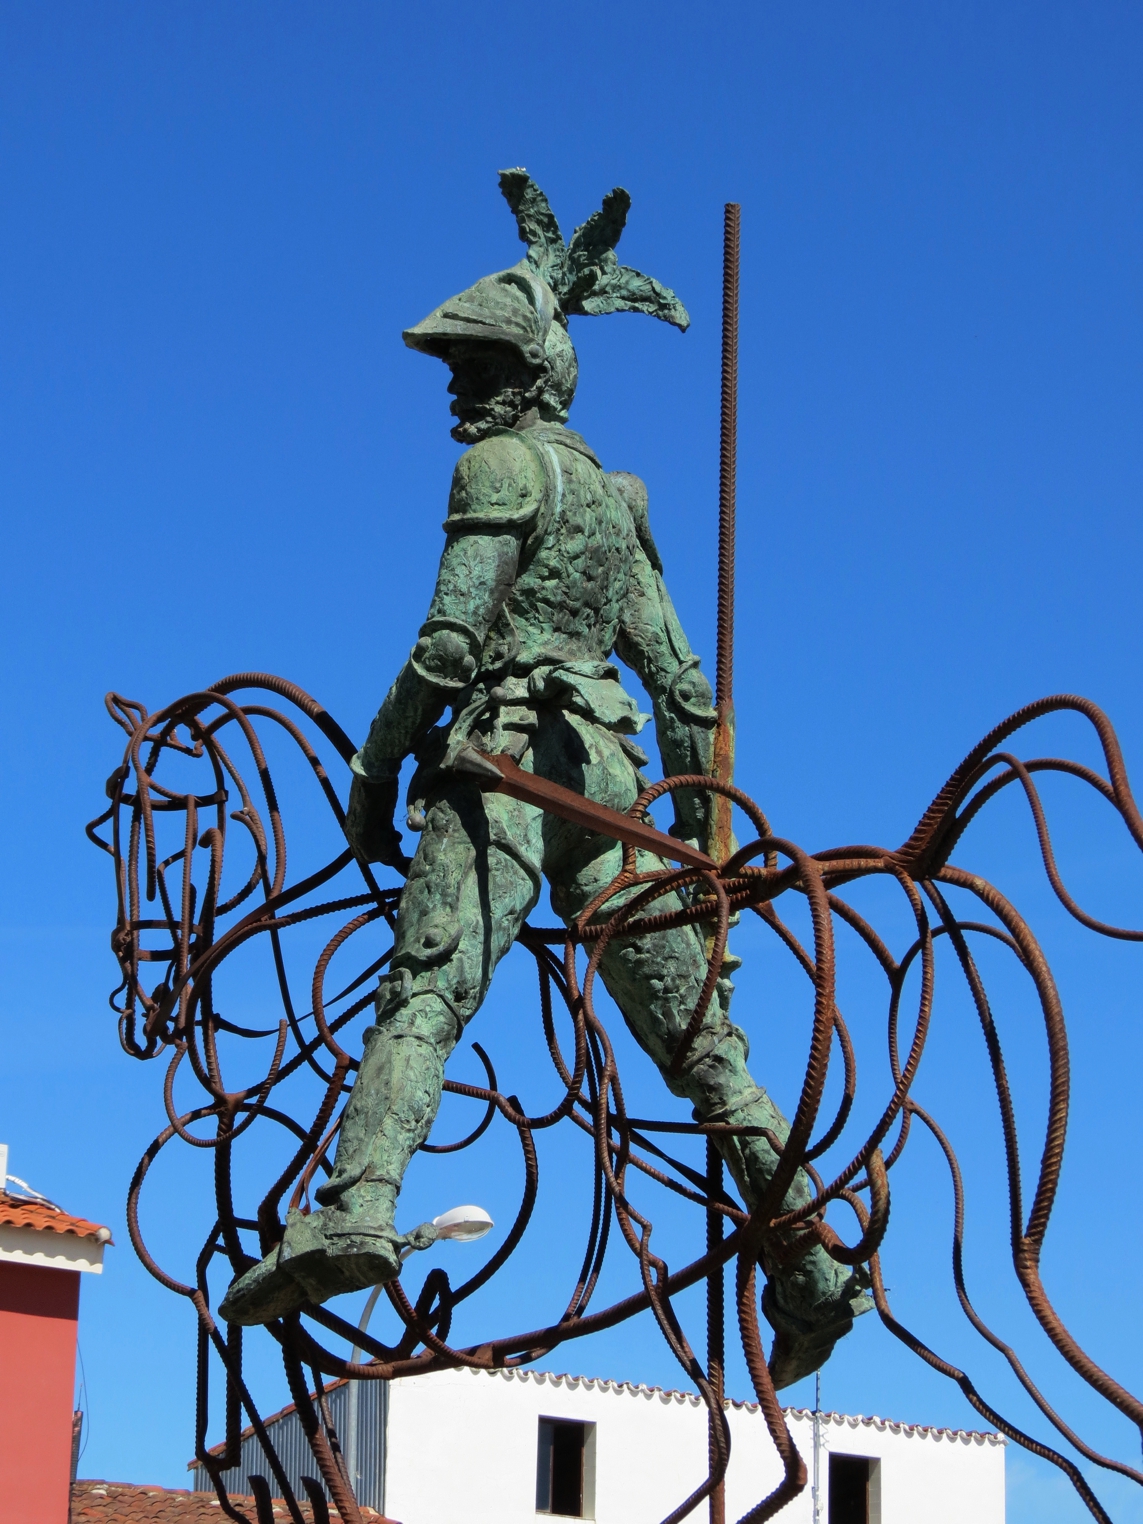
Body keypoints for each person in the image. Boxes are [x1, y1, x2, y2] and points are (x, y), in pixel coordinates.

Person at [220, 171, 870, 1388]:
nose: (455, 388)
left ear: (528, 374)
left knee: (428, 987)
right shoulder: (618, 506)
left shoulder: (501, 468)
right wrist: (701, 853)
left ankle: (359, 1210)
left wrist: (373, 767)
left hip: (509, 763)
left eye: (473, 365)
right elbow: (684, 693)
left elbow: (447, 647)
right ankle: (811, 1268)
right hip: (613, 793)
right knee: (705, 1051)